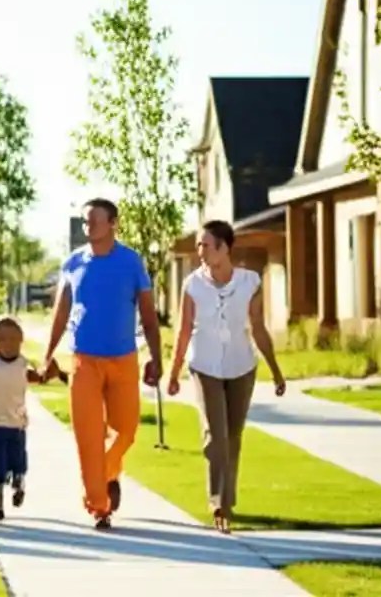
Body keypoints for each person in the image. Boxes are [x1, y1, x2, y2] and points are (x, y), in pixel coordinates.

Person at [43, 198, 163, 531]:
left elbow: (150, 318)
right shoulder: (73, 264)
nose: (88, 226)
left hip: (124, 359)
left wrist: (156, 356)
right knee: (88, 436)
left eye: (94, 220)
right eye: (84, 221)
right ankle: (98, 504)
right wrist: (47, 353)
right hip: (83, 360)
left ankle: (106, 473)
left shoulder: (130, 262)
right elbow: (61, 313)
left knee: (126, 431)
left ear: (113, 223)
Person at [166, 220, 286, 534]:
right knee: (215, 436)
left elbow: (258, 328)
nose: (200, 251)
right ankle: (220, 504)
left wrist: (275, 371)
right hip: (203, 365)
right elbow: (183, 330)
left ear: (224, 247)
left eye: (206, 245)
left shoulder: (250, 283)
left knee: (233, 437)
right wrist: (174, 371)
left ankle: (227, 498)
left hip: (242, 366)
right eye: (198, 246)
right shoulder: (192, 284)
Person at [0, 317, 49, 523]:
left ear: (21, 342)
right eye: (4, 340)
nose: (9, 345)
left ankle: (19, 483)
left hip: (17, 424)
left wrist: (49, 373)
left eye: (15, 340)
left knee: (18, 460)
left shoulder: (23, 365)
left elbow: (39, 378)